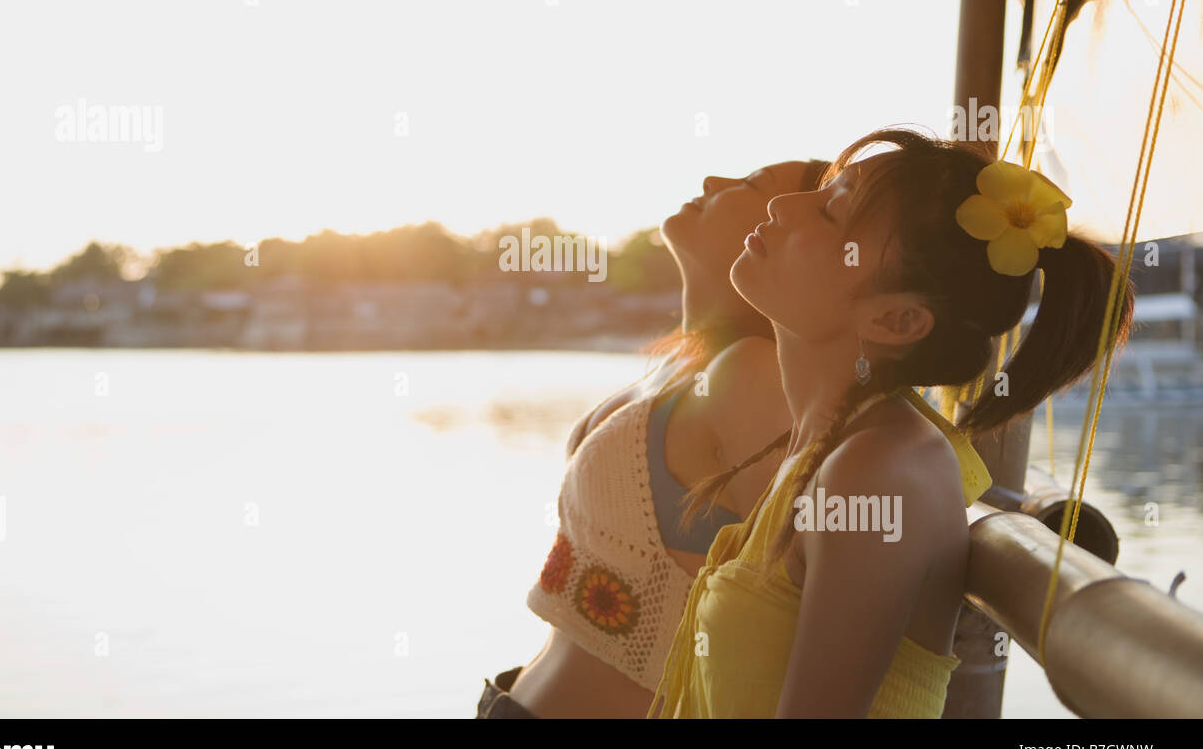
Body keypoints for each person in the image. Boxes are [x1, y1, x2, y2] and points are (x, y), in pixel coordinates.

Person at [647, 125, 1135, 718]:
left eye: (830, 213)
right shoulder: (828, 446)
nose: (782, 203)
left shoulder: (878, 469)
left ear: (898, 321)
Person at [476, 158, 830, 718]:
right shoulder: (685, 368)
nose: (715, 182)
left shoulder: (754, 378)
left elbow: (811, 592)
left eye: (751, 185)